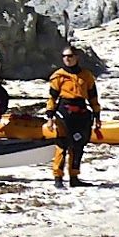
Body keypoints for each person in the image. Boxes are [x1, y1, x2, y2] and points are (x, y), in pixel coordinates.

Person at [45, 45, 102, 188]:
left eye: (70, 56)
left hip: (81, 112)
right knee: (62, 144)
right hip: (64, 112)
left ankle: (74, 177)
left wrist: (97, 115)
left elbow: (93, 97)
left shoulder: (86, 76)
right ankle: (58, 177)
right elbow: (52, 98)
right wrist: (50, 116)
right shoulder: (58, 76)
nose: (67, 59)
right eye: (64, 56)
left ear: (76, 57)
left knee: (78, 146)